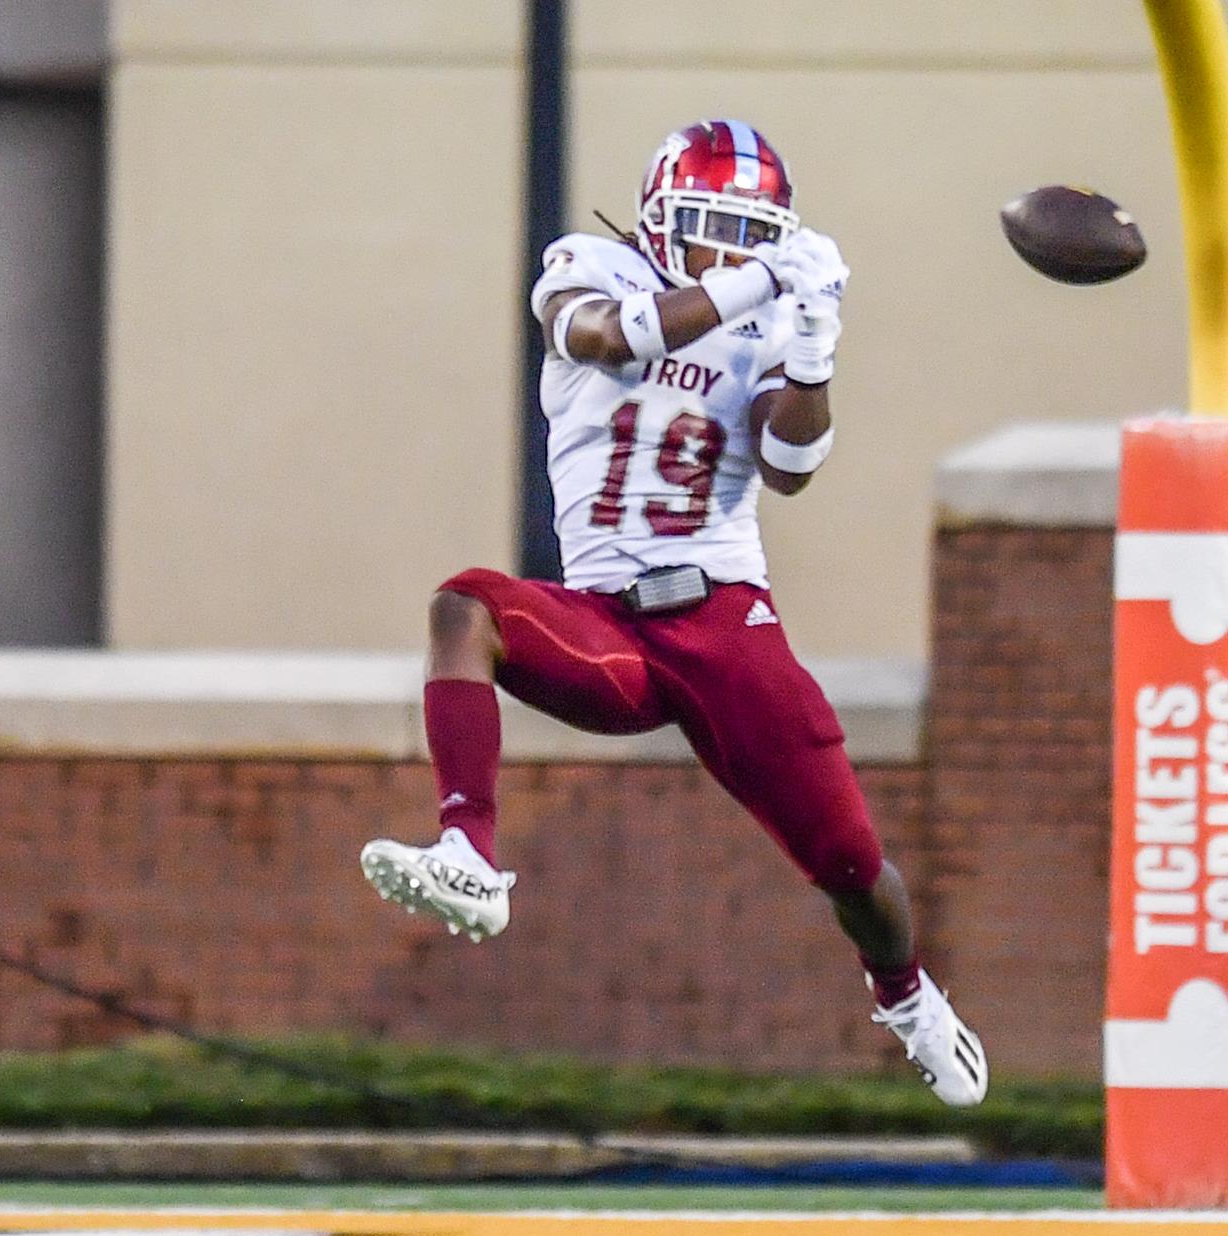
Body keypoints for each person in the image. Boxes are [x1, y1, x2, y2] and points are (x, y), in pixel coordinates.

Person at [360, 120, 987, 1106]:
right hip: (605, 623)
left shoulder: (770, 313)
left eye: (747, 236)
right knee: (464, 607)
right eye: (705, 228)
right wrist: (766, 281)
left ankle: (906, 998)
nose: (724, 253)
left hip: (723, 622)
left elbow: (789, 469)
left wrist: (814, 350)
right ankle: (468, 853)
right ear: (656, 217)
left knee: (851, 866)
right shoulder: (588, 265)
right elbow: (610, 338)